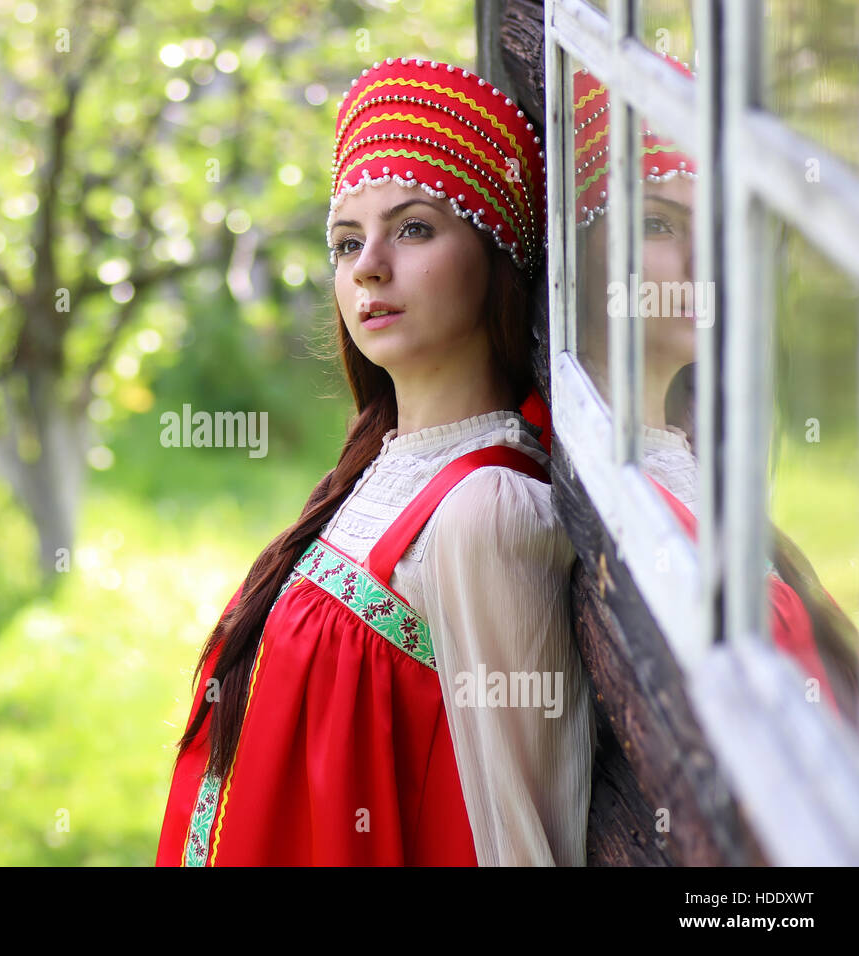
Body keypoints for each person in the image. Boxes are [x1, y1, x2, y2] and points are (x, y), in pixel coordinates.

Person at [154, 56, 595, 866]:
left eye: (415, 228)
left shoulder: (485, 507)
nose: (368, 266)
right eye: (347, 241)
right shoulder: (369, 476)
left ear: (498, 256)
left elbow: (522, 838)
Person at [572, 62, 859, 726]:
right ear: (575, 249)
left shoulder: (695, 459)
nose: (704, 265)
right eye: (656, 224)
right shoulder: (592, 485)